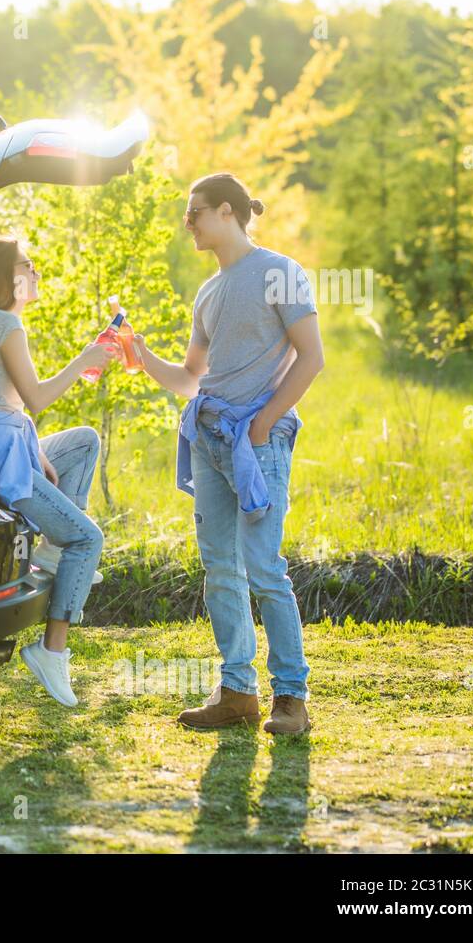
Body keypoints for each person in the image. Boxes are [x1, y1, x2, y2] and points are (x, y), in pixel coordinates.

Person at [131, 173, 325, 734]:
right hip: (209, 440)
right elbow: (192, 378)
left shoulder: (280, 272)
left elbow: (311, 357)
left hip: (255, 443)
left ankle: (292, 698)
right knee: (221, 569)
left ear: (225, 212)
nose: (187, 222)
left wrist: (264, 424)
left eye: (194, 213)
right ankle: (238, 692)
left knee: (264, 567)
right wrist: (140, 353)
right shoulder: (208, 293)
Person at [0, 236, 120, 707]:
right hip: (3, 464)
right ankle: (52, 651)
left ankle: (50, 553)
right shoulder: (4, 324)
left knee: (84, 441)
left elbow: (10, 407)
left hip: (6, 449)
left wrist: (32, 443)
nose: (37, 272)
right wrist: (84, 359)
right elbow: (37, 397)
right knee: (88, 539)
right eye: (28, 265)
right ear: (5, 278)